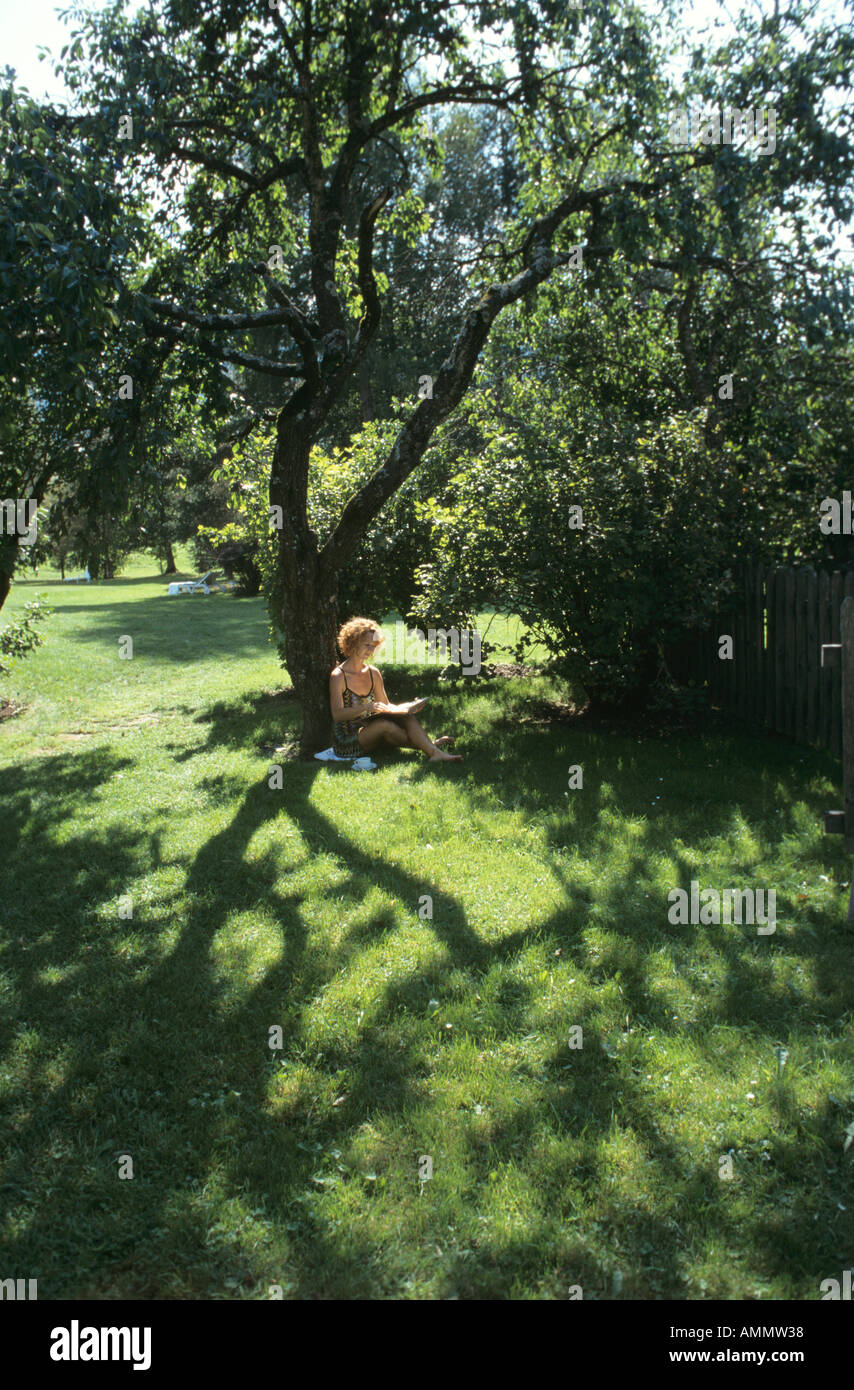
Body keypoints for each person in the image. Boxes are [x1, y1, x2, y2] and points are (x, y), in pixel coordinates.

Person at [330, 617, 462, 763]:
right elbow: (337, 715)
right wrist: (366, 707)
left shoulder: (373, 672)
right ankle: (432, 747)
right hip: (347, 740)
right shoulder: (338, 675)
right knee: (384, 725)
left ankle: (432, 750)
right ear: (353, 642)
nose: (370, 650)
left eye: (373, 646)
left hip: (370, 730)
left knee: (406, 717)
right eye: (367, 645)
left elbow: (385, 706)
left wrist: (408, 707)